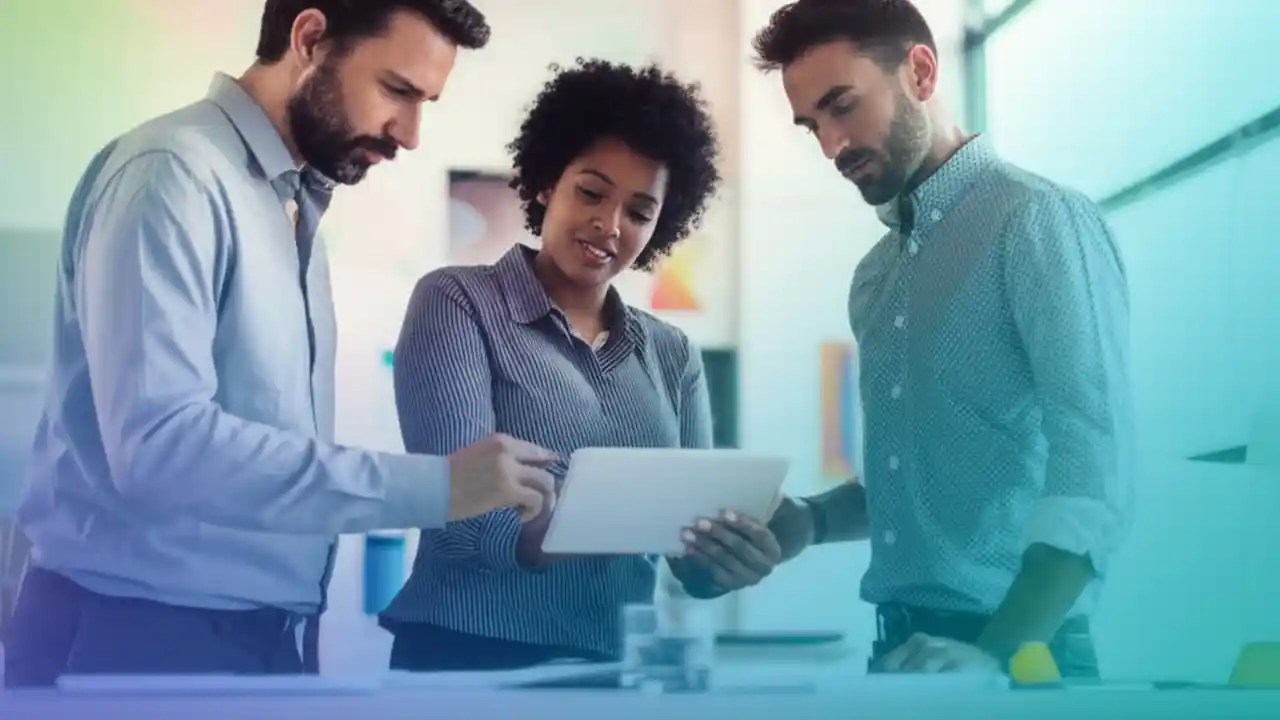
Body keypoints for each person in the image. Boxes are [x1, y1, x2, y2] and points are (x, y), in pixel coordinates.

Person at [3, 0, 559, 687]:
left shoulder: (288, 206)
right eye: (397, 90)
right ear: (309, 38)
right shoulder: (172, 175)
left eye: (427, 102)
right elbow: (161, 446)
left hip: (252, 637)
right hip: (135, 632)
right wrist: (439, 487)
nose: (411, 133)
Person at [748, 0, 1135, 677]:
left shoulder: (1038, 221)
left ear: (920, 72)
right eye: (811, 125)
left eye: (843, 106)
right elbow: (915, 484)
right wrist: (807, 521)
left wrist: (993, 659)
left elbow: (1095, 470)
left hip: (1019, 659)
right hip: (901, 657)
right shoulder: (876, 278)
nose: (830, 145)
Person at [378, 58, 785, 670]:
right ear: (547, 183)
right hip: (466, 657)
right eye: (591, 192)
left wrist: (725, 559)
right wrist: (601, 519)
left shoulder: (673, 354)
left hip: (613, 669)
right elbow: (457, 509)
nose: (609, 224)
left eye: (640, 212)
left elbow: (689, 560)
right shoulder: (457, 301)